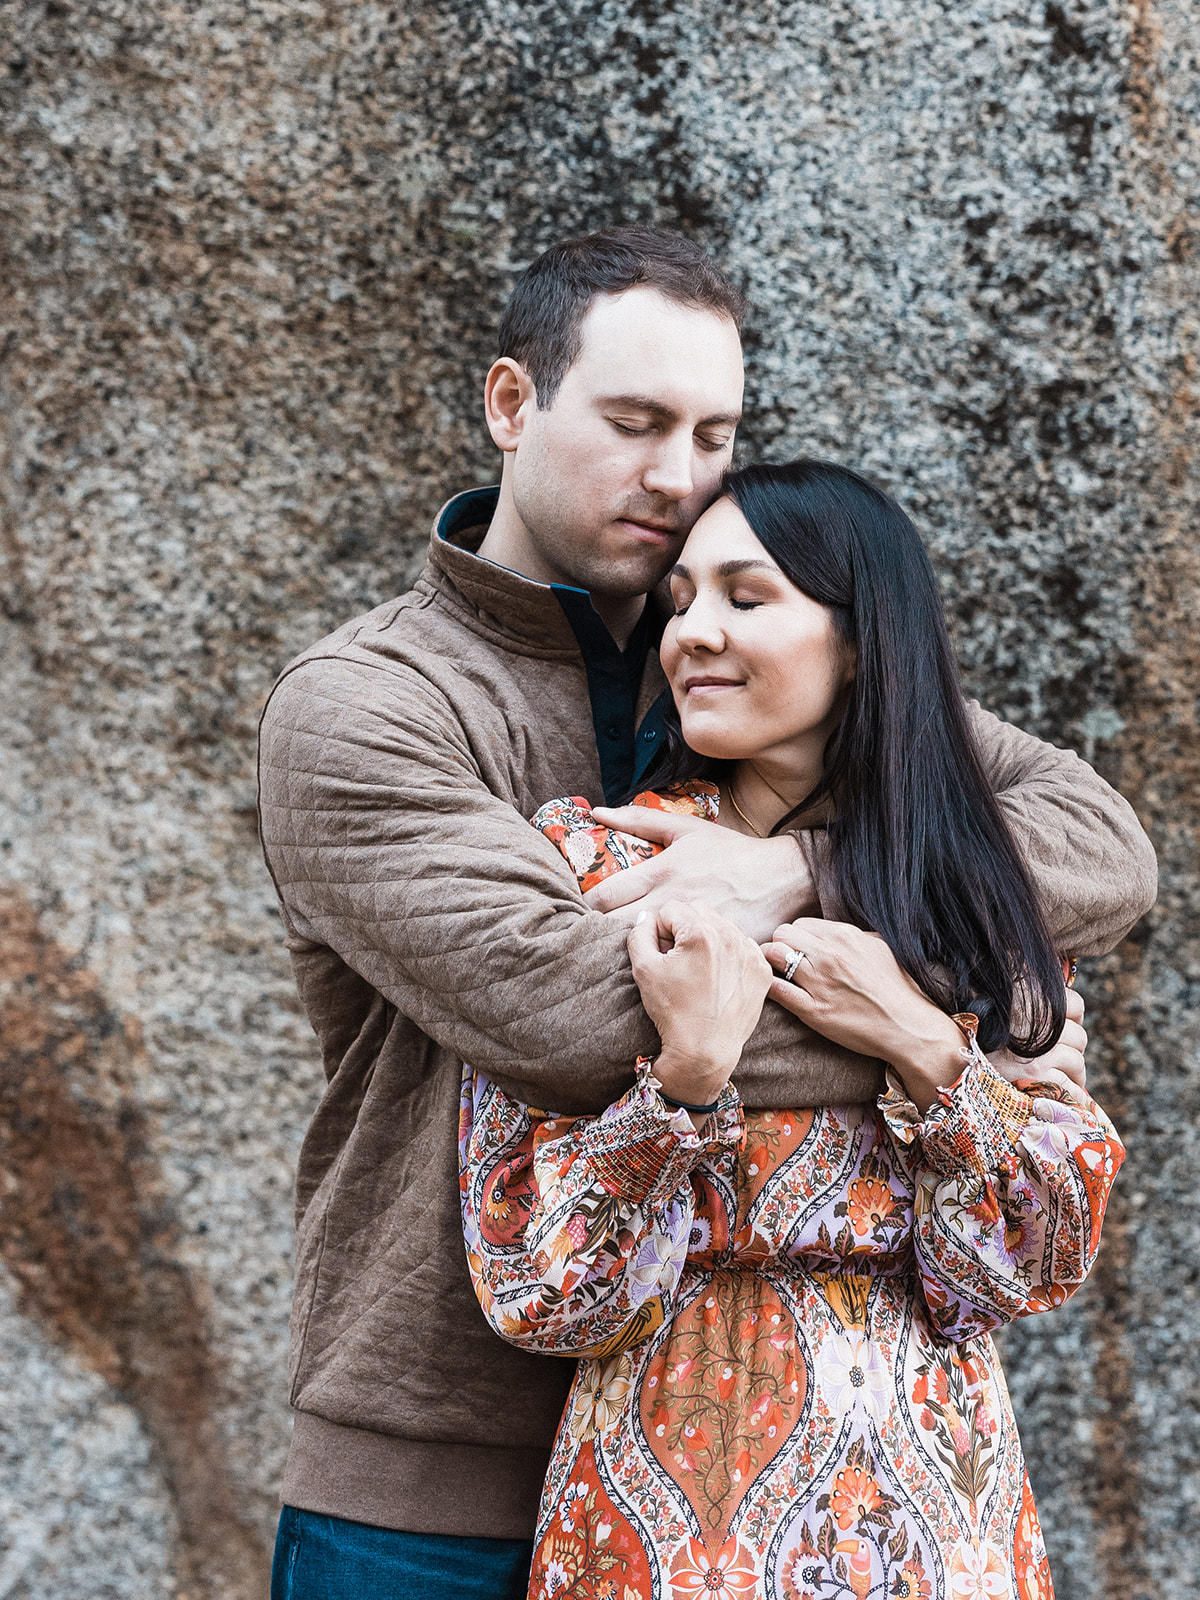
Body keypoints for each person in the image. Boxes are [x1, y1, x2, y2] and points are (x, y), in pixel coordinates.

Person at [257, 229, 1156, 1598]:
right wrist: (966, 1024)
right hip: (442, 1470)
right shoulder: (371, 707)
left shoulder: (756, 670)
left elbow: (1100, 844)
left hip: (790, 1483)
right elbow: (567, 1021)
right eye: (634, 424)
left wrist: (808, 873)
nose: (676, 479)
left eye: (712, 433)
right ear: (513, 404)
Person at [461, 459, 1126, 1600]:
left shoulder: (977, 895)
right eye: (678, 604)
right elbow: (536, 1277)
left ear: (863, 640)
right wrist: (686, 1082)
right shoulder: (597, 864)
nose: (690, 635)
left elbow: (1036, 1258)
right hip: (665, 1519)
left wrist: (926, 1047)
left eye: (745, 597)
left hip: (940, 1519)